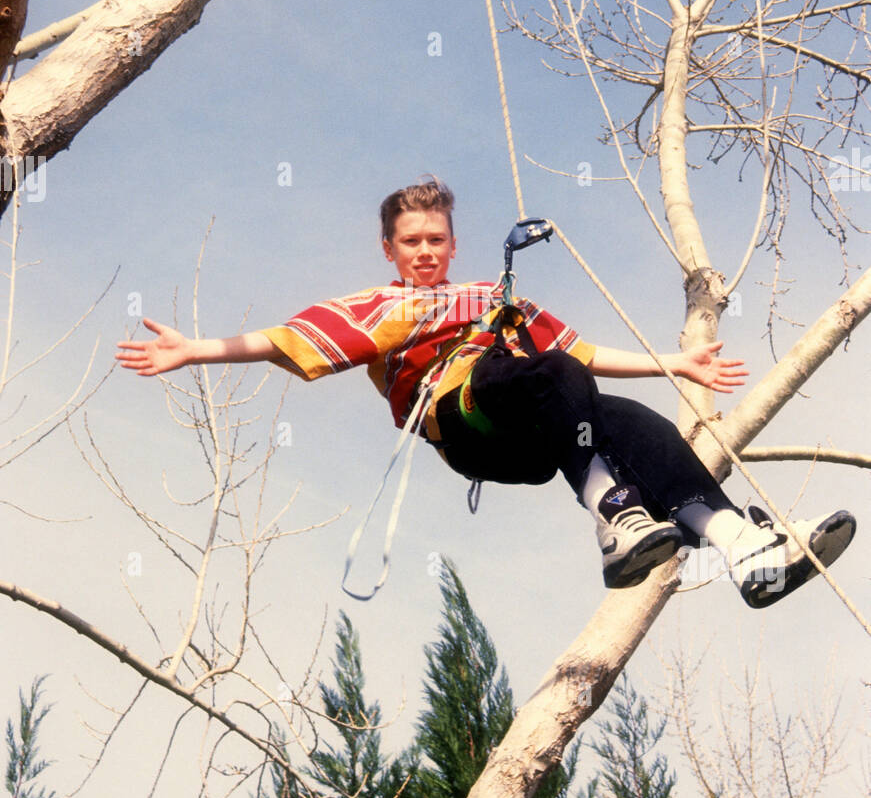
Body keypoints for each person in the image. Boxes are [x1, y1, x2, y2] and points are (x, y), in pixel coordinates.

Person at [116, 179, 856, 606]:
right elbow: (286, 341)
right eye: (411, 242)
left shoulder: (489, 297)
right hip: (467, 426)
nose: (426, 252)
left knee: (621, 412)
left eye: (435, 239)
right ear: (390, 250)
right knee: (551, 377)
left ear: (452, 242)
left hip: (536, 430)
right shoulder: (383, 307)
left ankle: (741, 548)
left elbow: (583, 352)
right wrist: (197, 350)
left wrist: (676, 365)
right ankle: (614, 517)